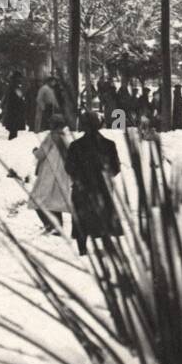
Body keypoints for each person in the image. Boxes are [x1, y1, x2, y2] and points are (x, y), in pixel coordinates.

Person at [65, 110, 122, 257]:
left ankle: (82, 250)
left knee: (81, 219)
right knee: (103, 217)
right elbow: (115, 168)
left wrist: (79, 177)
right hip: (102, 189)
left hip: (81, 189)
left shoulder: (75, 146)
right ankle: (105, 247)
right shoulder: (109, 145)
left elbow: (69, 168)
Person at [31, 113, 72, 234]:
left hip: (49, 172)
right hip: (62, 173)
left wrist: (34, 151)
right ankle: (57, 227)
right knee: (55, 201)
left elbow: (41, 154)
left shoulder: (50, 137)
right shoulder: (65, 138)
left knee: (38, 199)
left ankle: (49, 225)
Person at [2, 71, 28, 140]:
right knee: (13, 130)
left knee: (13, 130)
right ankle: (12, 143)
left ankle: (12, 141)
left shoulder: (12, 86)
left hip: (12, 110)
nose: (20, 80)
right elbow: (19, 97)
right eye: (19, 78)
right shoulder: (15, 87)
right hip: (14, 111)